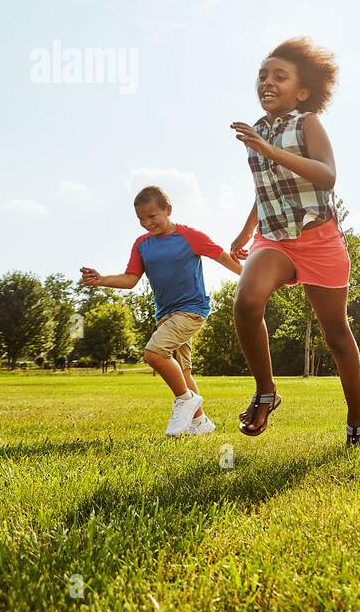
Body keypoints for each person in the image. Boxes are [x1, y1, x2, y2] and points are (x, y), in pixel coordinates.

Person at [229, 37, 360, 444]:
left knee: (336, 334)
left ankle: (356, 417)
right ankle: (266, 391)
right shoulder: (256, 132)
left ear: (301, 91)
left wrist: (270, 150)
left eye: (280, 76)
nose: (267, 82)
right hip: (274, 240)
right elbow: (267, 188)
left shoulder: (307, 123)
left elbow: (326, 175)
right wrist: (243, 231)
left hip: (319, 239)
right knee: (247, 301)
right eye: (262, 75)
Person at [79, 185, 241, 436]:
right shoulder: (142, 245)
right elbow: (131, 279)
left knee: (154, 354)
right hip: (165, 315)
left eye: (152, 216)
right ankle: (200, 423)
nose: (146, 223)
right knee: (182, 370)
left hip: (192, 311)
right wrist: (100, 279)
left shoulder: (190, 236)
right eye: (141, 219)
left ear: (168, 210)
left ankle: (185, 400)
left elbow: (222, 257)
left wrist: (255, 276)